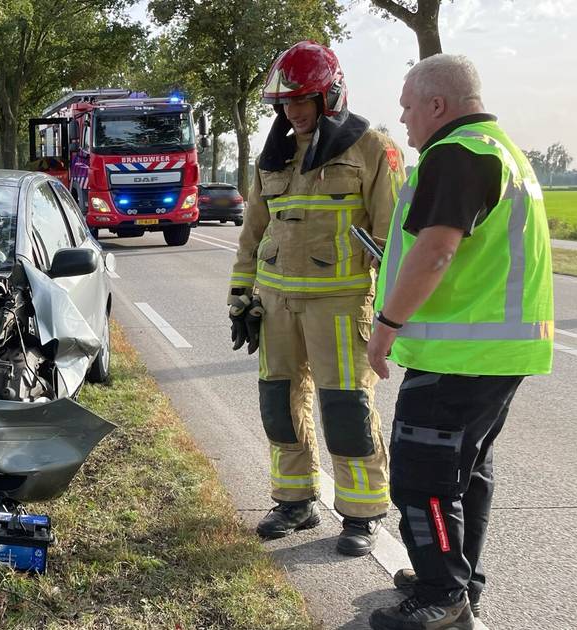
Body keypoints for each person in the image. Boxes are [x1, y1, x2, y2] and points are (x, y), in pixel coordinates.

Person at [366, 54, 553, 630]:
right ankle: (455, 575)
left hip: (458, 358)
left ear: (437, 105)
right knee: (464, 474)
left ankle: (442, 596)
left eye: (406, 106)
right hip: (494, 353)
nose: (402, 119)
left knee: (422, 481)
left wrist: (386, 325)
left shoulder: (456, 153)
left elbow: (437, 249)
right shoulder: (503, 151)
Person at [229, 41, 405, 556]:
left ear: (331, 93)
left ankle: (363, 512)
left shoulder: (373, 148)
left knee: (346, 408)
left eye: (302, 100)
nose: (293, 112)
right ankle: (295, 501)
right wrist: (241, 295)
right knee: (279, 405)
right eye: (285, 103)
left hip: (342, 305)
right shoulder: (275, 152)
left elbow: (394, 236)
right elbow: (252, 233)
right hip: (278, 304)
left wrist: (394, 313)